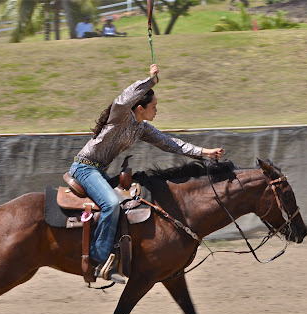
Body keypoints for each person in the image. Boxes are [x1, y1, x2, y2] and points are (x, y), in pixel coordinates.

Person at [69, 64, 226, 283]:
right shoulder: (122, 115)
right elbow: (124, 98)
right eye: (154, 105)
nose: (156, 109)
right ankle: (98, 258)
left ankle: (117, 255)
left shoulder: (142, 128)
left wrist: (205, 152)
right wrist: (150, 81)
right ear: (140, 107)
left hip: (98, 171)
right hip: (84, 168)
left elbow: (171, 143)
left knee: (125, 204)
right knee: (111, 205)